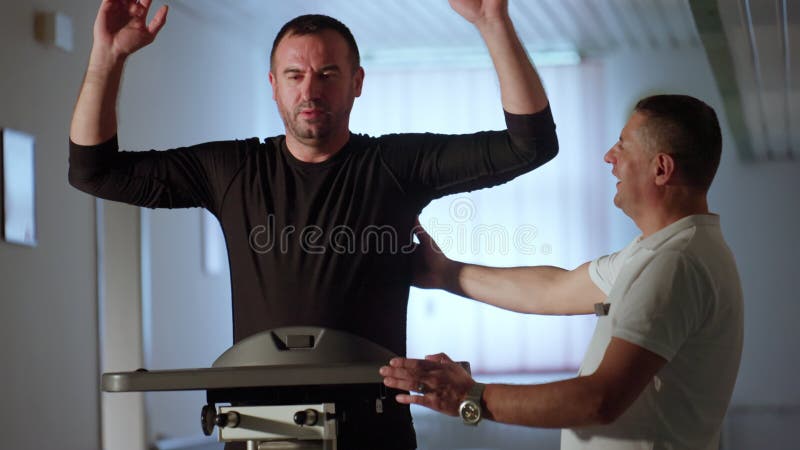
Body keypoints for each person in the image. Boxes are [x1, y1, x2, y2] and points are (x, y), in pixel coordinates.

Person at [68, 0, 558, 448]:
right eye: (295, 74)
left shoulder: (395, 163)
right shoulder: (233, 169)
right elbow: (94, 171)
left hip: (373, 424)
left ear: (357, 82)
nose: (310, 89)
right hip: (258, 426)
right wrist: (107, 58)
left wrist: (493, 23)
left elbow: (529, 145)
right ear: (273, 83)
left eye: (327, 74)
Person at [381, 94, 744, 449]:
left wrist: (469, 396)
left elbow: (599, 400)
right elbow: (554, 289)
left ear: (661, 169)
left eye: (622, 146)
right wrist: (446, 274)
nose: (609, 158)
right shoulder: (659, 252)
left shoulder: (675, 263)